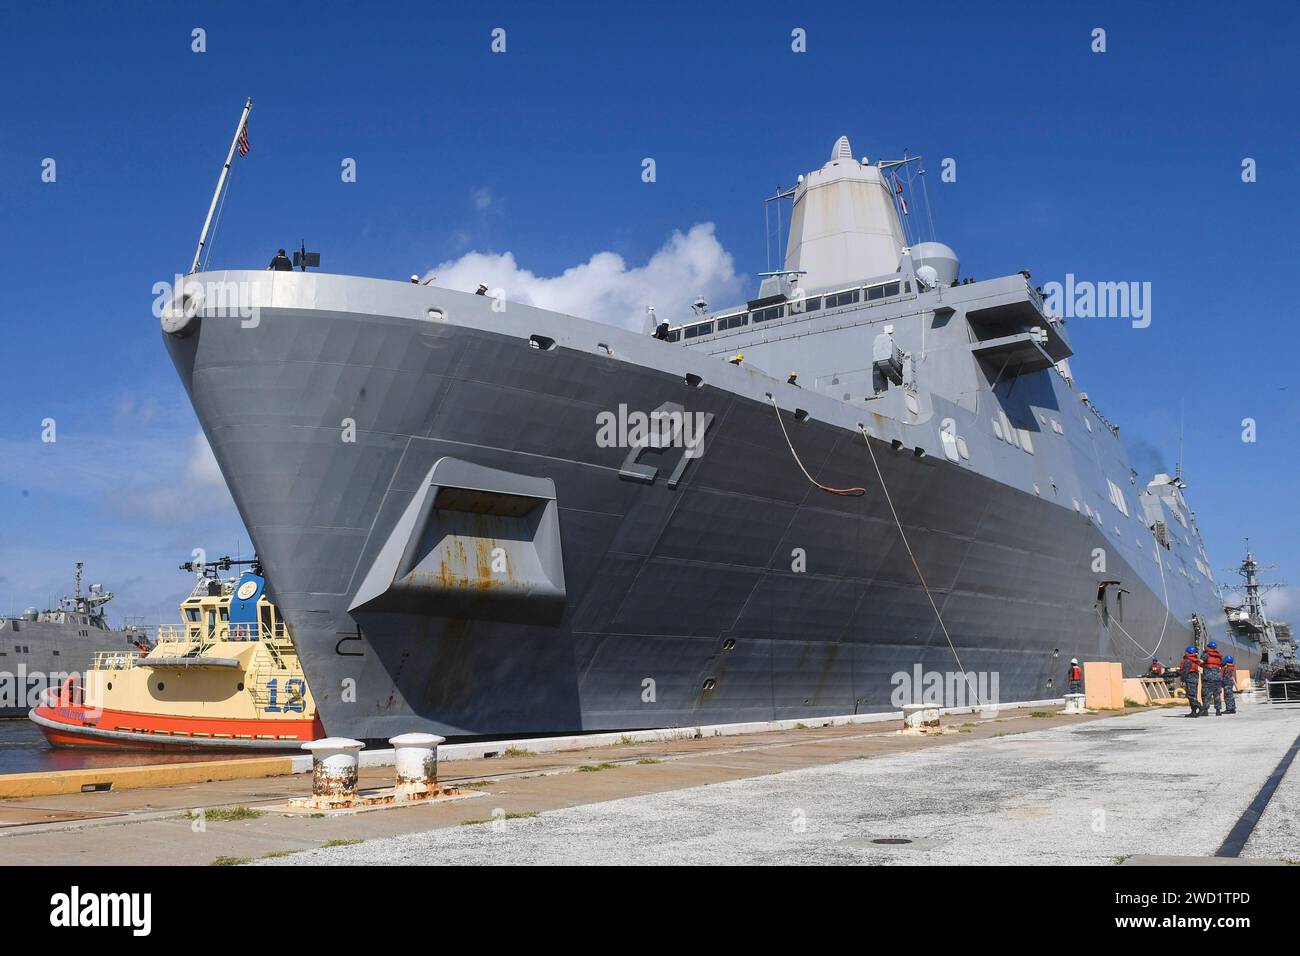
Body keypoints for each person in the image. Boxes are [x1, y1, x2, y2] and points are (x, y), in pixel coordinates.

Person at [1201, 641, 1224, 716]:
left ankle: (1205, 710)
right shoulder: (1219, 655)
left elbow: (1200, 662)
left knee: (1206, 694)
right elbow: (1223, 664)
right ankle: (1218, 711)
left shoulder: (1206, 654)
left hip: (1208, 677)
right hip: (1217, 677)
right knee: (1217, 695)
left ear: (1208, 647)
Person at [1180, 645, 1202, 716]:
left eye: (1186, 652)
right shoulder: (1195, 660)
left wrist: (1182, 680)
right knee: (1193, 695)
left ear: (1188, 652)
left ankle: (1200, 707)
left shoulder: (1187, 660)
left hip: (1189, 678)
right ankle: (1193, 712)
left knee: (1190, 695)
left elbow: (1185, 671)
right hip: (1195, 677)